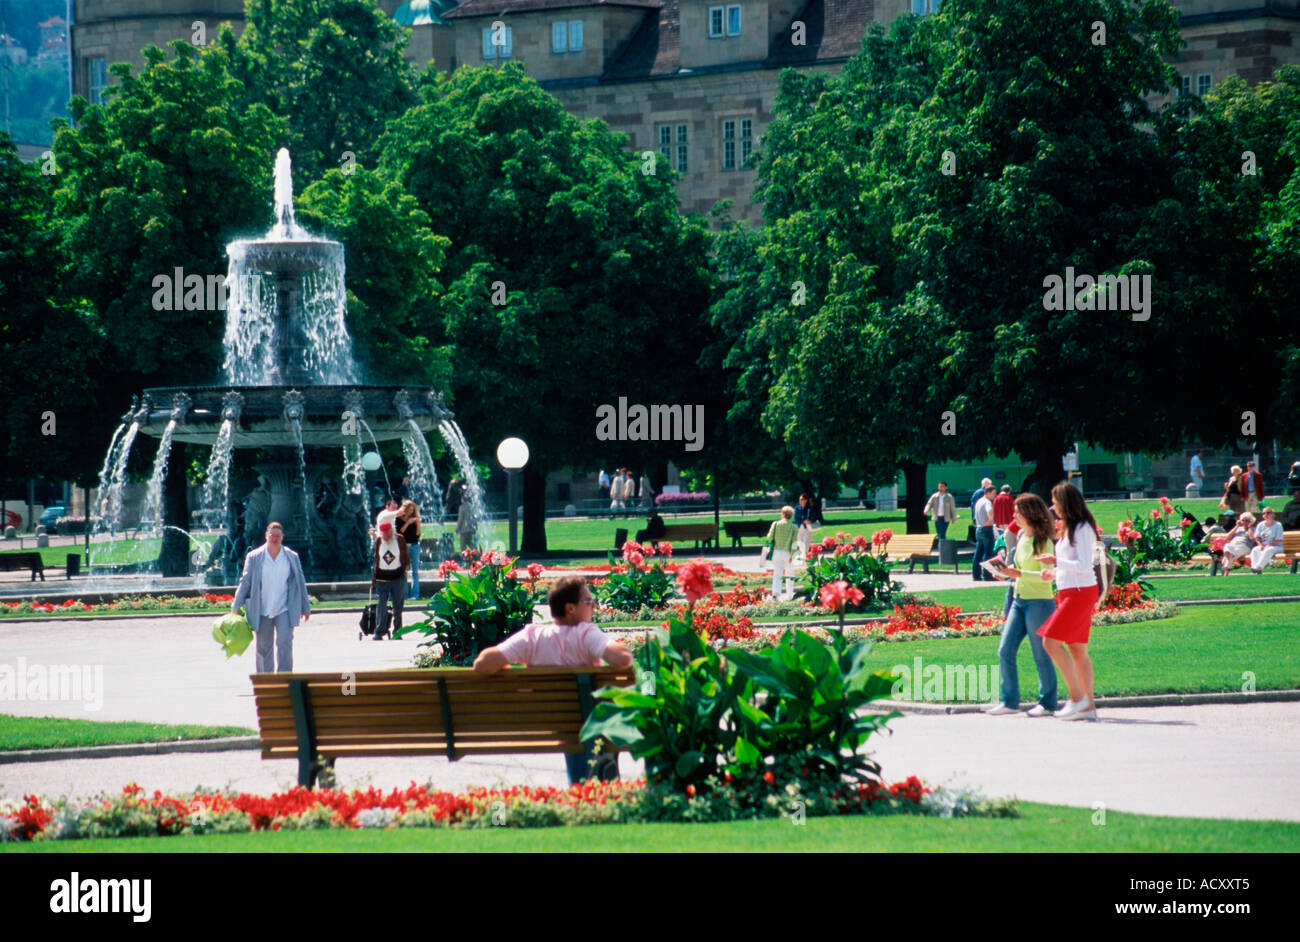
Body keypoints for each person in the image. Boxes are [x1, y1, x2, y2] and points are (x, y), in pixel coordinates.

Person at [473, 577, 634, 784]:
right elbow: (623, 658)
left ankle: (584, 787)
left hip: (556, 721)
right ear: (570, 608)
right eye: (588, 601)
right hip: (595, 721)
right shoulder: (585, 634)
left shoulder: (532, 638)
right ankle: (598, 782)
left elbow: (483, 664)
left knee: (573, 727)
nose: (593, 605)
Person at [983, 494, 1059, 716]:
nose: (1014, 515)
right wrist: (1005, 574)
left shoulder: (1043, 541)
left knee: (1041, 654)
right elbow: (1018, 572)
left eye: (1017, 511)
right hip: (1019, 600)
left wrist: (1019, 573)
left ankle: (1048, 703)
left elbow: (1047, 576)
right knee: (1005, 650)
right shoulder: (1022, 538)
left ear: (1029, 513)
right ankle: (1010, 702)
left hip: (1039, 603)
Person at [1035, 482, 1100, 721]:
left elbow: (1084, 565)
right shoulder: (1071, 529)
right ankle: (1088, 706)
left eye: (1056, 502)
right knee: (1077, 649)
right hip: (1071, 591)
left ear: (1067, 503)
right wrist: (1053, 572)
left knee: (1050, 643)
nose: (1053, 507)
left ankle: (1077, 698)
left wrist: (1056, 562)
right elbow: (1072, 565)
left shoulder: (1083, 529)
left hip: (1080, 593)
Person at [231, 522, 311, 673]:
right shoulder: (254, 557)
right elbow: (245, 582)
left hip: (284, 608)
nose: (274, 539)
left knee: (284, 642)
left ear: (282, 537)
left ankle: (285, 679)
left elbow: (300, 582)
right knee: (263, 646)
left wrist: (305, 607)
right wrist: (236, 606)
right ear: (266, 536)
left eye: (277, 536)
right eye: (271, 535)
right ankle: (265, 680)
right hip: (262, 609)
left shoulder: (291, 557)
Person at [370, 519, 409, 639]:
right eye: (383, 533)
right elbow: (376, 559)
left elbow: (406, 555)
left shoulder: (399, 539)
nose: (385, 535)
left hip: (397, 577)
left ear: (391, 531)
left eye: (387, 532)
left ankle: (397, 632)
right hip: (382, 578)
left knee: (398, 606)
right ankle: (379, 631)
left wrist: (405, 569)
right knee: (381, 604)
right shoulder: (378, 540)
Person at [764, 505, 801, 600]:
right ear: (791, 515)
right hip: (788, 552)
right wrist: (793, 555)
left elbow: (769, 537)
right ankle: (789, 595)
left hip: (776, 551)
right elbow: (794, 542)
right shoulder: (794, 527)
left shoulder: (775, 524)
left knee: (777, 573)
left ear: (782, 514)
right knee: (790, 574)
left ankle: (776, 593)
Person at [972, 484, 996, 581]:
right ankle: (987, 575)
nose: (994, 496)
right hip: (986, 528)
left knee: (978, 553)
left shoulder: (978, 501)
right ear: (988, 493)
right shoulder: (987, 502)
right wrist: (990, 520)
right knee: (988, 553)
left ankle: (976, 575)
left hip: (978, 528)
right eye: (993, 494)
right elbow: (989, 511)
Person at [398, 499, 421, 599]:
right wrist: (407, 523)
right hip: (403, 546)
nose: (411, 512)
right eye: (410, 510)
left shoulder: (415, 518)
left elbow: (417, 534)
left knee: (415, 571)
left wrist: (418, 523)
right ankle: (404, 593)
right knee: (404, 570)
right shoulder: (398, 519)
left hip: (414, 546)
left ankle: (415, 594)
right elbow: (400, 532)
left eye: (413, 510)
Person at [1250, 507, 1284, 573]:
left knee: (1269, 549)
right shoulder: (1260, 525)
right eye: (1264, 513)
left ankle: (1259, 567)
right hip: (1264, 546)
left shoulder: (1278, 525)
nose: (1266, 515)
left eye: (1268, 513)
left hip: (1276, 547)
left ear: (1272, 514)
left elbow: (1279, 539)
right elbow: (1257, 537)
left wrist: (1269, 545)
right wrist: (1260, 545)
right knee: (1255, 550)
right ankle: (1254, 567)